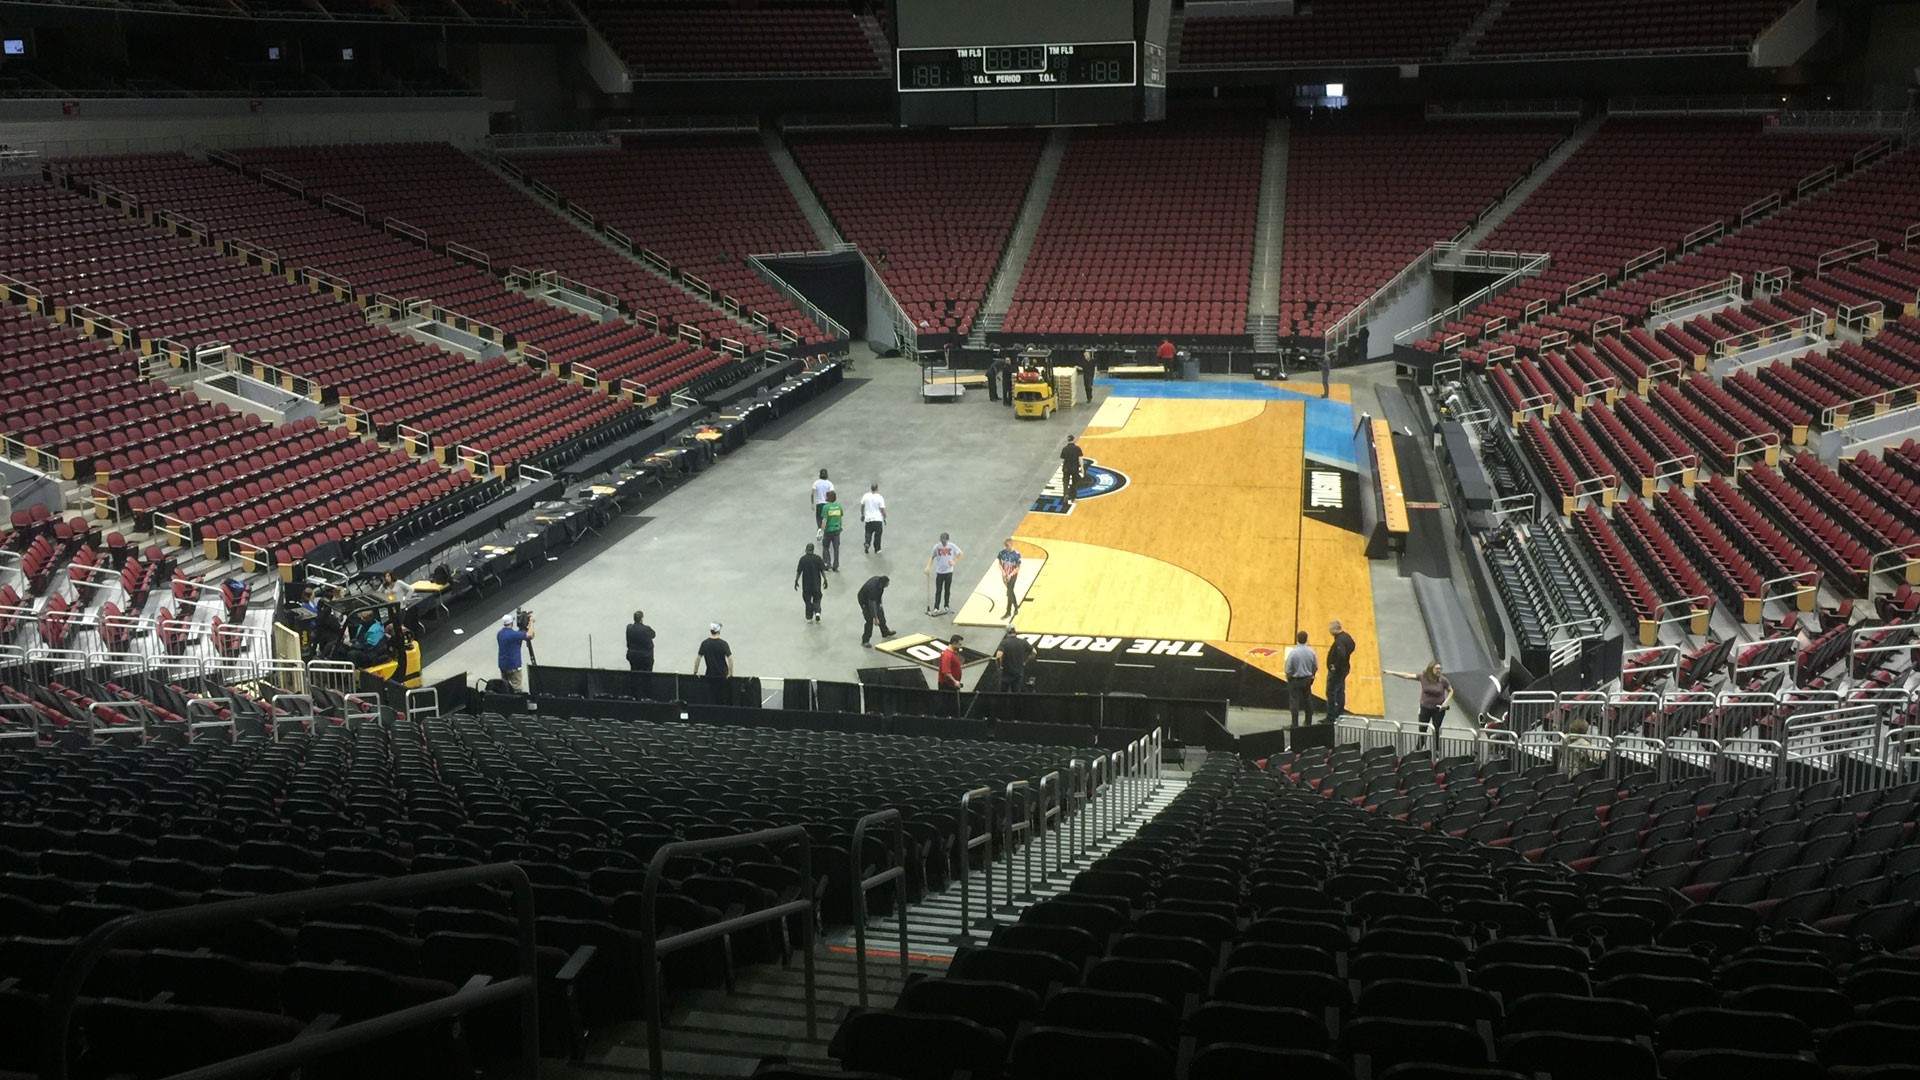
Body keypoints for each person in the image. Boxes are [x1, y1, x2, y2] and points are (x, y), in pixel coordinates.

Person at [1388, 661, 1454, 745]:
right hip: (1425, 708)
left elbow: (1451, 690)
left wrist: (1446, 702)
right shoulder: (1423, 677)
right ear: (1431, 669)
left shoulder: (1443, 680)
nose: (1439, 671)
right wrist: (1392, 672)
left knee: (1436, 729)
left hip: (1438, 709)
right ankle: (1419, 748)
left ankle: (1436, 750)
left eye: (1440, 669)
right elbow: (1407, 676)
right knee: (1422, 728)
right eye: (1437, 669)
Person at [1285, 630, 1318, 727]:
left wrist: (1289, 677)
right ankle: (1308, 722)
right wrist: (1312, 675)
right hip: (1307, 679)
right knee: (1308, 700)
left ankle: (1294, 724)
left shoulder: (1293, 653)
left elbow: (1288, 669)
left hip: (1295, 680)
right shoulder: (1311, 652)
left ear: (1297, 639)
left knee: (1294, 701)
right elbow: (1315, 666)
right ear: (1307, 639)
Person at [1326, 620, 1357, 723]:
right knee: (1340, 691)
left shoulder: (1339, 641)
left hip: (1338, 671)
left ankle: (1331, 716)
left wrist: (1335, 666)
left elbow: (1342, 655)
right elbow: (1353, 646)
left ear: (1335, 629)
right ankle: (1339, 712)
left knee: (1331, 692)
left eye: (1330, 629)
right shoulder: (1347, 636)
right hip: (1344, 669)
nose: (1329, 631)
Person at [695, 622, 733, 705]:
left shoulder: (705, 643)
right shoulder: (723, 644)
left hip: (710, 675)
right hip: (722, 676)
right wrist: (730, 673)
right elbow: (730, 658)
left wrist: (696, 671)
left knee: (711, 698)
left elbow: (698, 658)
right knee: (722, 699)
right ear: (719, 631)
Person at [925, 532, 962, 615]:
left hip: (949, 572)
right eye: (941, 539)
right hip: (940, 572)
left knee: (947, 590)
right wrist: (928, 567)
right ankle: (936, 607)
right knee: (938, 590)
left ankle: (946, 606)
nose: (943, 541)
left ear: (947, 540)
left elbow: (960, 553)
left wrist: (954, 561)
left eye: (944, 539)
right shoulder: (937, 547)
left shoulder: (952, 546)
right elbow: (932, 557)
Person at [497, 614, 533, 691]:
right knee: (517, 687)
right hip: (513, 666)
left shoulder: (500, 634)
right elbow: (530, 635)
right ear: (511, 623)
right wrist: (531, 622)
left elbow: (514, 636)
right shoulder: (514, 635)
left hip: (503, 665)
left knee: (505, 687)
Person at [856, 574, 894, 648]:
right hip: (865, 601)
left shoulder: (880, 582)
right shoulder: (873, 588)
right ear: (882, 584)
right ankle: (865, 641)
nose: (888, 585)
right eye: (887, 584)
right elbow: (871, 605)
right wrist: (875, 618)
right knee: (869, 620)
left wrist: (880, 603)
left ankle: (885, 632)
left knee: (881, 614)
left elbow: (880, 593)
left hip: (872, 599)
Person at [795, 541, 829, 622]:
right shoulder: (817, 558)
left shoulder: (803, 559)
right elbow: (822, 571)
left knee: (807, 600)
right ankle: (817, 611)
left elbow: (799, 571)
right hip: (816, 583)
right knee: (817, 597)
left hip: (806, 584)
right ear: (813, 550)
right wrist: (825, 580)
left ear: (806, 550)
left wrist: (796, 581)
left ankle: (809, 616)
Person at [994, 628, 1032, 693]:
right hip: (1018, 673)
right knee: (1016, 693)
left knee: (1003, 693)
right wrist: (1025, 661)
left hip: (1006, 672)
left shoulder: (1004, 643)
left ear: (1007, 633)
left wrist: (999, 667)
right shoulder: (1023, 642)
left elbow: (998, 656)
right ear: (1015, 632)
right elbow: (1034, 652)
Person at [625, 611, 655, 694]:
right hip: (645, 658)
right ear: (641, 619)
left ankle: (634, 694)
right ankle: (647, 694)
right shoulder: (646, 629)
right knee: (646, 678)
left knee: (634, 676)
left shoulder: (629, 628)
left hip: (633, 657)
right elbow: (653, 634)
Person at [996, 538, 1022, 620]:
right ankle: (1016, 607)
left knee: (1009, 592)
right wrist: (1003, 572)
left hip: (1012, 575)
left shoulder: (1017, 554)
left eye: (1007, 546)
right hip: (1005, 575)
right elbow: (1000, 563)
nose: (1006, 548)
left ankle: (1008, 612)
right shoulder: (1002, 553)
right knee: (1010, 592)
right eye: (1005, 546)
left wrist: (1011, 574)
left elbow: (1018, 568)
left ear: (1011, 544)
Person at [938, 634, 965, 713]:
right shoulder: (947, 655)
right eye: (959, 644)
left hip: (952, 685)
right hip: (947, 686)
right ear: (954, 643)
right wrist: (955, 681)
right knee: (948, 707)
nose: (960, 647)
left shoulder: (952, 653)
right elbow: (946, 672)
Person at [819, 489, 845, 571]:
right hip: (837, 530)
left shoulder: (826, 507)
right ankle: (836, 565)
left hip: (828, 530)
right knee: (836, 548)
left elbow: (824, 520)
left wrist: (821, 530)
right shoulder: (838, 506)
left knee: (826, 546)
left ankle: (827, 563)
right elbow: (840, 518)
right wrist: (840, 527)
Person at [860, 483, 887, 554]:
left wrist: (862, 514)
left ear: (871, 488)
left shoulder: (866, 496)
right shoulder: (879, 497)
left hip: (868, 518)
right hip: (877, 519)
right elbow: (882, 509)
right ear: (877, 489)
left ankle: (867, 543)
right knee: (878, 534)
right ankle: (877, 548)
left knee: (868, 532)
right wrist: (884, 517)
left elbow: (862, 505)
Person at [1060, 436, 1084, 501]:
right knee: (1074, 482)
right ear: (1073, 440)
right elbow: (1080, 458)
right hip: (1074, 468)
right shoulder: (1077, 448)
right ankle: (1073, 497)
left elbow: (1063, 457)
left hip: (1066, 468)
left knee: (1065, 482)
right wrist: (1082, 468)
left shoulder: (1065, 448)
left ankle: (1066, 494)